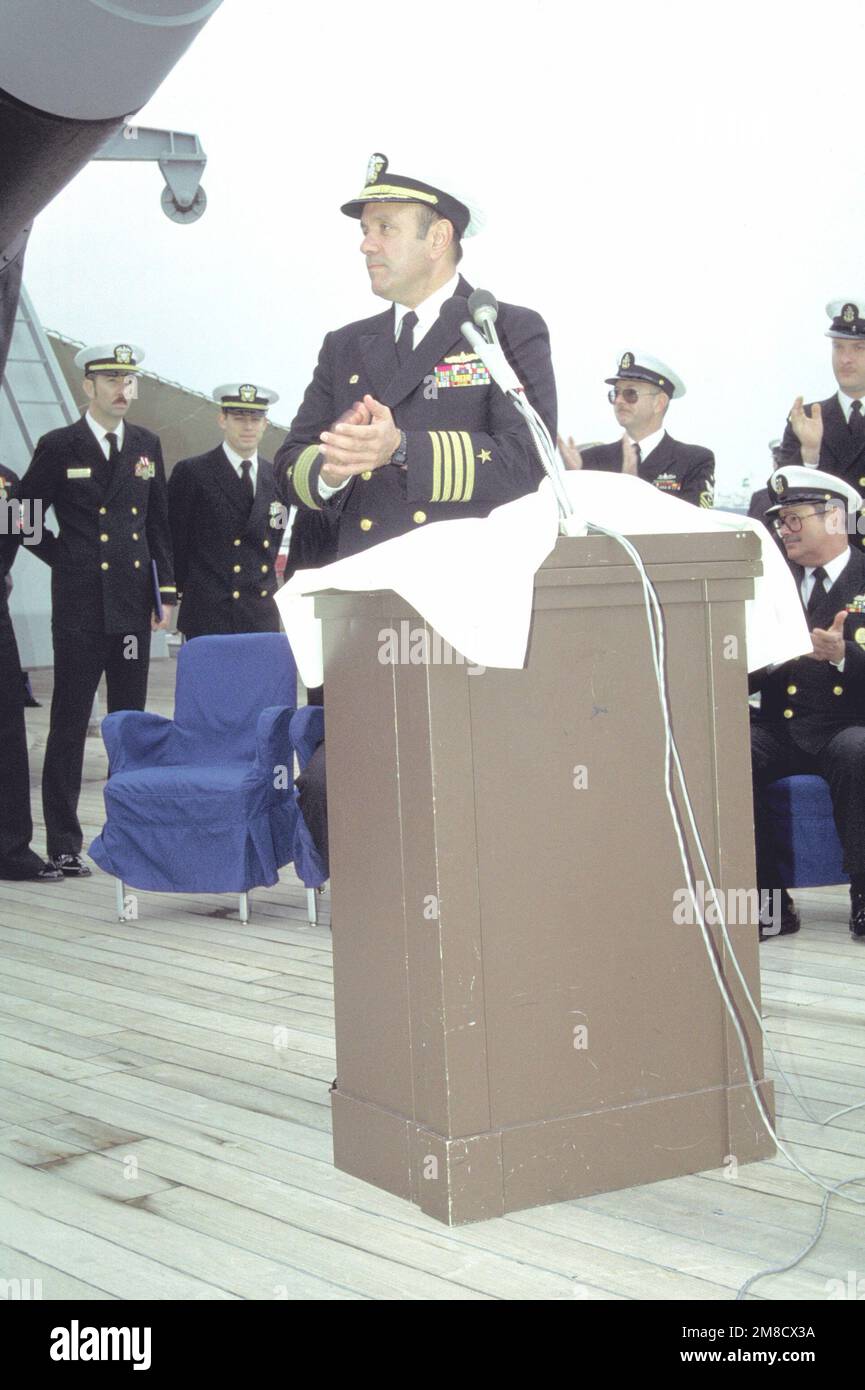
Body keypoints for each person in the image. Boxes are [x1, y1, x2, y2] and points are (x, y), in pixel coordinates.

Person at [274, 152, 558, 863]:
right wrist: (336, 468)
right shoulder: (346, 346)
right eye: (365, 229)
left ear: (440, 238)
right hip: (366, 603)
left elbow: (525, 461)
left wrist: (401, 448)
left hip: (464, 604)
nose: (365, 243)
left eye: (383, 227)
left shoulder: (501, 331)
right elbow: (291, 466)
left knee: (467, 797)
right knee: (338, 787)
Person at [17, 342, 175, 877]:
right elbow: (23, 514)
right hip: (82, 606)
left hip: (132, 608)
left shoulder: (147, 445)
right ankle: (63, 841)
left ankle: (131, 832)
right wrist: (64, 558)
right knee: (69, 722)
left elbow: (158, 526)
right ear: (88, 386)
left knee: (129, 723)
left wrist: (166, 593)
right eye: (110, 380)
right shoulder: (61, 445)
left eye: (129, 380)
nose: (121, 390)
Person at [750, 465, 865, 941]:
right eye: (780, 521)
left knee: (858, 751)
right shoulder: (770, 581)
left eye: (795, 518)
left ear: (836, 518)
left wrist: (846, 656)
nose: (784, 529)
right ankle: (768, 904)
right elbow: (742, 664)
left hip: (847, 722)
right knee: (728, 750)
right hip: (782, 724)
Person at [168, 383, 287, 638]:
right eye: (239, 418)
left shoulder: (277, 477)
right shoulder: (193, 472)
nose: (248, 426)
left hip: (259, 612)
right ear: (222, 420)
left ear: (265, 424)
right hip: (209, 612)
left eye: (255, 419)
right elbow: (175, 540)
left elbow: (275, 536)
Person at [0, 466, 63, 881]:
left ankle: (10, 849)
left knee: (6, 729)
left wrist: (93, 564)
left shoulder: (4, 481)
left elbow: (36, 535)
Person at [558, 352, 714, 508]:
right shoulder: (591, 460)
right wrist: (574, 480)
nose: (619, 401)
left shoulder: (694, 461)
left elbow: (696, 525)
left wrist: (632, 488)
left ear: (659, 403)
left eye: (630, 394)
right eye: (616, 393)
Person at [778, 299, 865, 494]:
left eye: (859, 348)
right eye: (838, 347)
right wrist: (809, 456)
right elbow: (780, 496)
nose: (845, 359)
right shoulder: (805, 420)